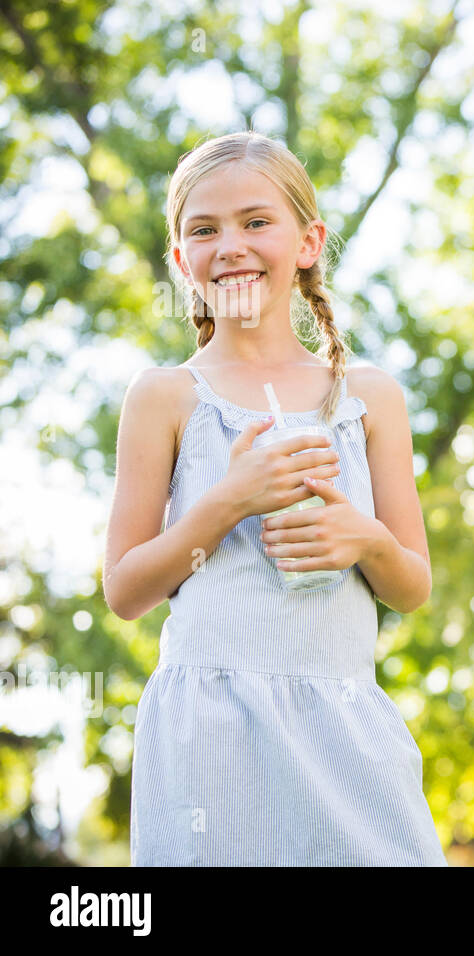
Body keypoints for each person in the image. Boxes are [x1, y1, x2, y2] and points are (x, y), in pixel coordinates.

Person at [102, 131, 449, 865]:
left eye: (256, 222)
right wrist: (230, 499)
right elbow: (128, 590)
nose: (230, 245)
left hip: (345, 724)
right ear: (180, 260)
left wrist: (366, 541)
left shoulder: (369, 398)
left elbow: (412, 584)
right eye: (204, 229)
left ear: (307, 242)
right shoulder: (164, 397)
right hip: (211, 734)